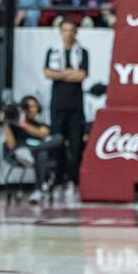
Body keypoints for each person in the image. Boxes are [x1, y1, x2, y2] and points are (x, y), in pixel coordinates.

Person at [43, 19, 88, 203]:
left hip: (75, 106)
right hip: (58, 105)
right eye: (64, 30)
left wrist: (61, 74)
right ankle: (57, 178)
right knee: (57, 144)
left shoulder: (82, 52)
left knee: (76, 145)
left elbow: (82, 75)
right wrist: (67, 73)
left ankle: (73, 179)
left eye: (71, 30)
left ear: (75, 33)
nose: (67, 34)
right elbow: (48, 72)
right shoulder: (53, 50)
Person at [1, 95, 66, 202]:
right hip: (20, 154)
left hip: (34, 152)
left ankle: (37, 190)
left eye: (34, 106)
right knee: (41, 153)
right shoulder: (14, 126)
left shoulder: (39, 125)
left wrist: (23, 125)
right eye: (29, 107)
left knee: (57, 140)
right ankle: (38, 189)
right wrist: (6, 123)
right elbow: (11, 146)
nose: (32, 109)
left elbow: (43, 133)